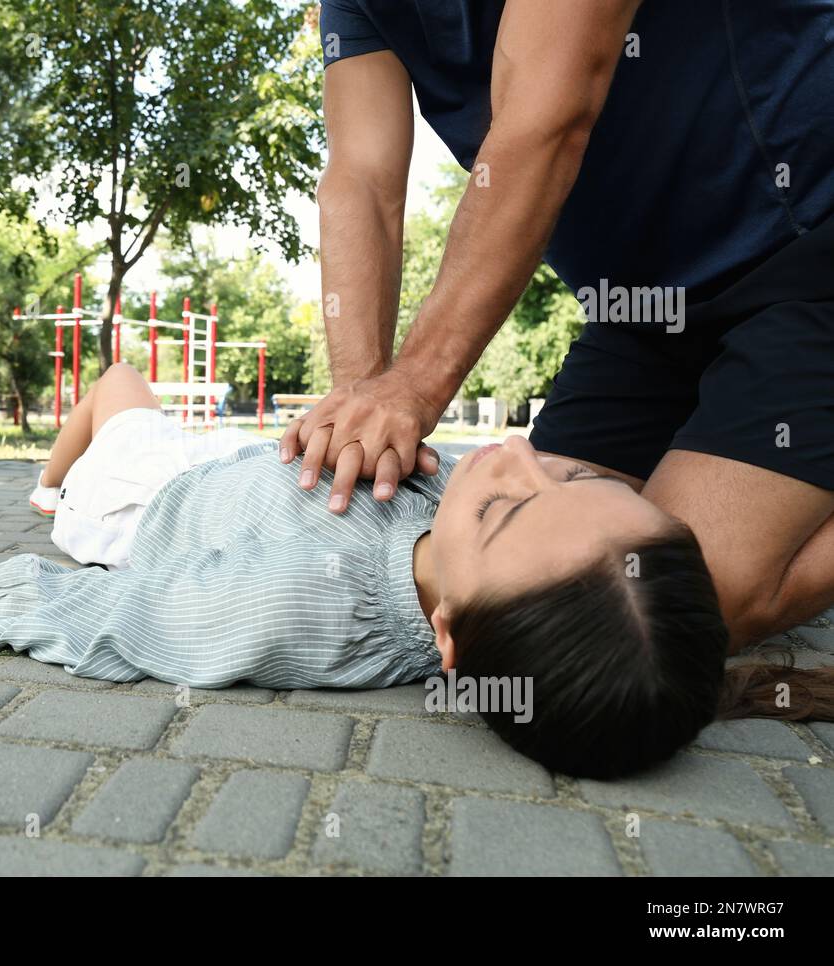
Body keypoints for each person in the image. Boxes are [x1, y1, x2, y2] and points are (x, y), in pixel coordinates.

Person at [0, 364, 834, 780]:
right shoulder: (488, 567)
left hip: (145, 504)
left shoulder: (283, 605)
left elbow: (97, 615)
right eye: (570, 472)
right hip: (235, 470)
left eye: (510, 502)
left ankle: (46, 486)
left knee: (115, 380)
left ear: (450, 637)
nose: (513, 451)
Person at [289, 0, 834, 655]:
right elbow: (361, 178)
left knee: (689, 597)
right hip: (641, 310)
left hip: (805, 241)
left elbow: (548, 108)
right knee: (545, 592)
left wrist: (415, 384)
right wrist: (358, 403)